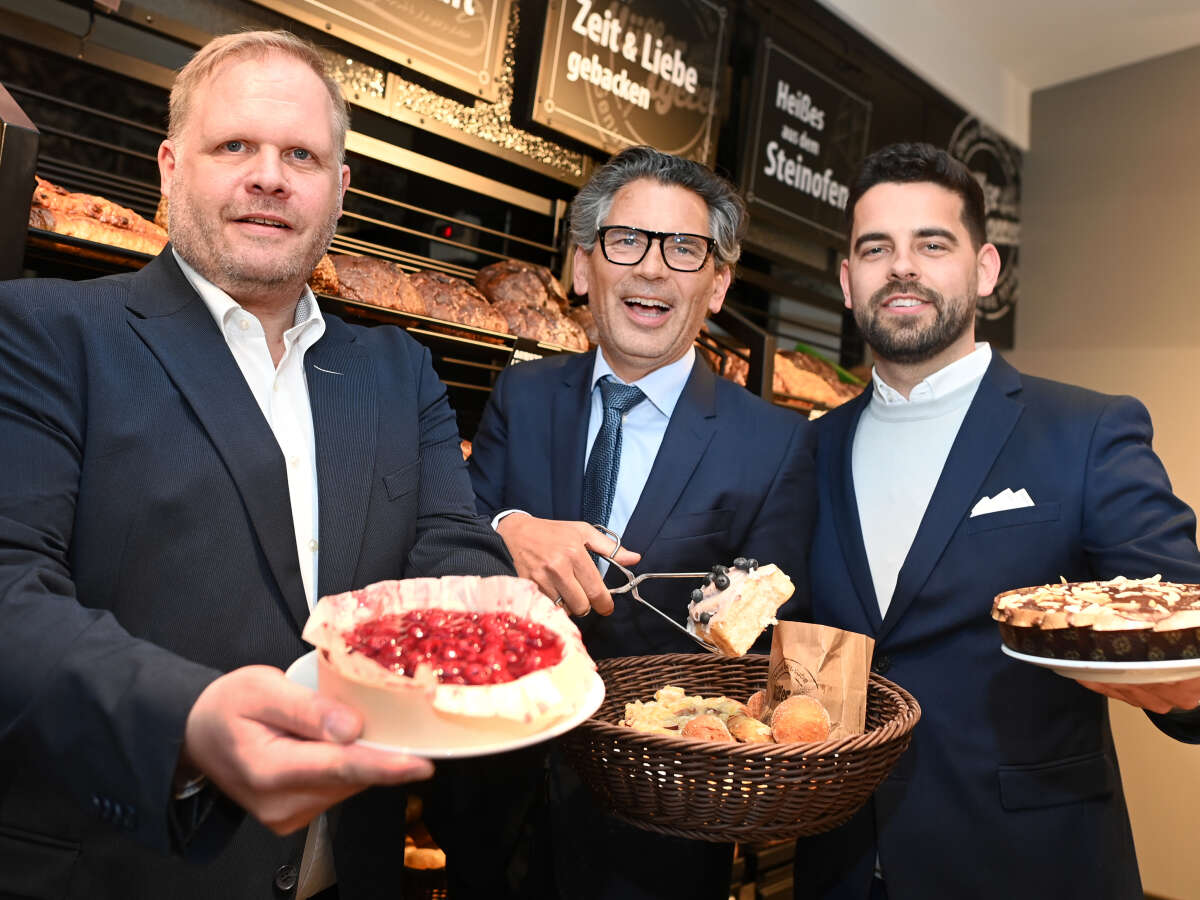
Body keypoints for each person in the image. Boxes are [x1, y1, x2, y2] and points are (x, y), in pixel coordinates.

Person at [0, 30, 513, 900]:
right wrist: (189, 720)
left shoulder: (397, 372)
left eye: (301, 155)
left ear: (339, 189)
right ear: (170, 168)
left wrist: (503, 620)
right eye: (234, 145)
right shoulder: (44, 334)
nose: (270, 176)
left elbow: (449, 547)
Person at [795, 141, 1200, 900]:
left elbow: (1179, 616)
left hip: (1030, 867)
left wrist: (1192, 692)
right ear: (848, 282)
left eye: (932, 244)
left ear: (984, 269)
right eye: (876, 248)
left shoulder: (1086, 431)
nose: (902, 267)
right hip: (841, 866)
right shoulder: (808, 448)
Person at [450, 145, 815, 900]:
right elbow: (454, 533)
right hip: (493, 790)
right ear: (584, 268)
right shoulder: (522, 395)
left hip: (658, 829)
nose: (651, 268)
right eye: (626, 241)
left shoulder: (775, 442)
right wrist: (510, 526)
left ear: (718, 285)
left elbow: (763, 647)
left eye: (683, 248)